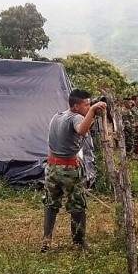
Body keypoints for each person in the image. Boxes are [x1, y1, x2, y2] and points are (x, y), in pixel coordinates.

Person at [41, 89, 107, 252]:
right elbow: (81, 130)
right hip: (68, 167)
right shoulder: (76, 117)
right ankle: (78, 242)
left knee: (51, 204)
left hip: (51, 166)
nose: (88, 107)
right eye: (86, 105)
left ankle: (46, 240)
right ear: (76, 106)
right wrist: (92, 112)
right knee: (77, 206)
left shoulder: (56, 116)